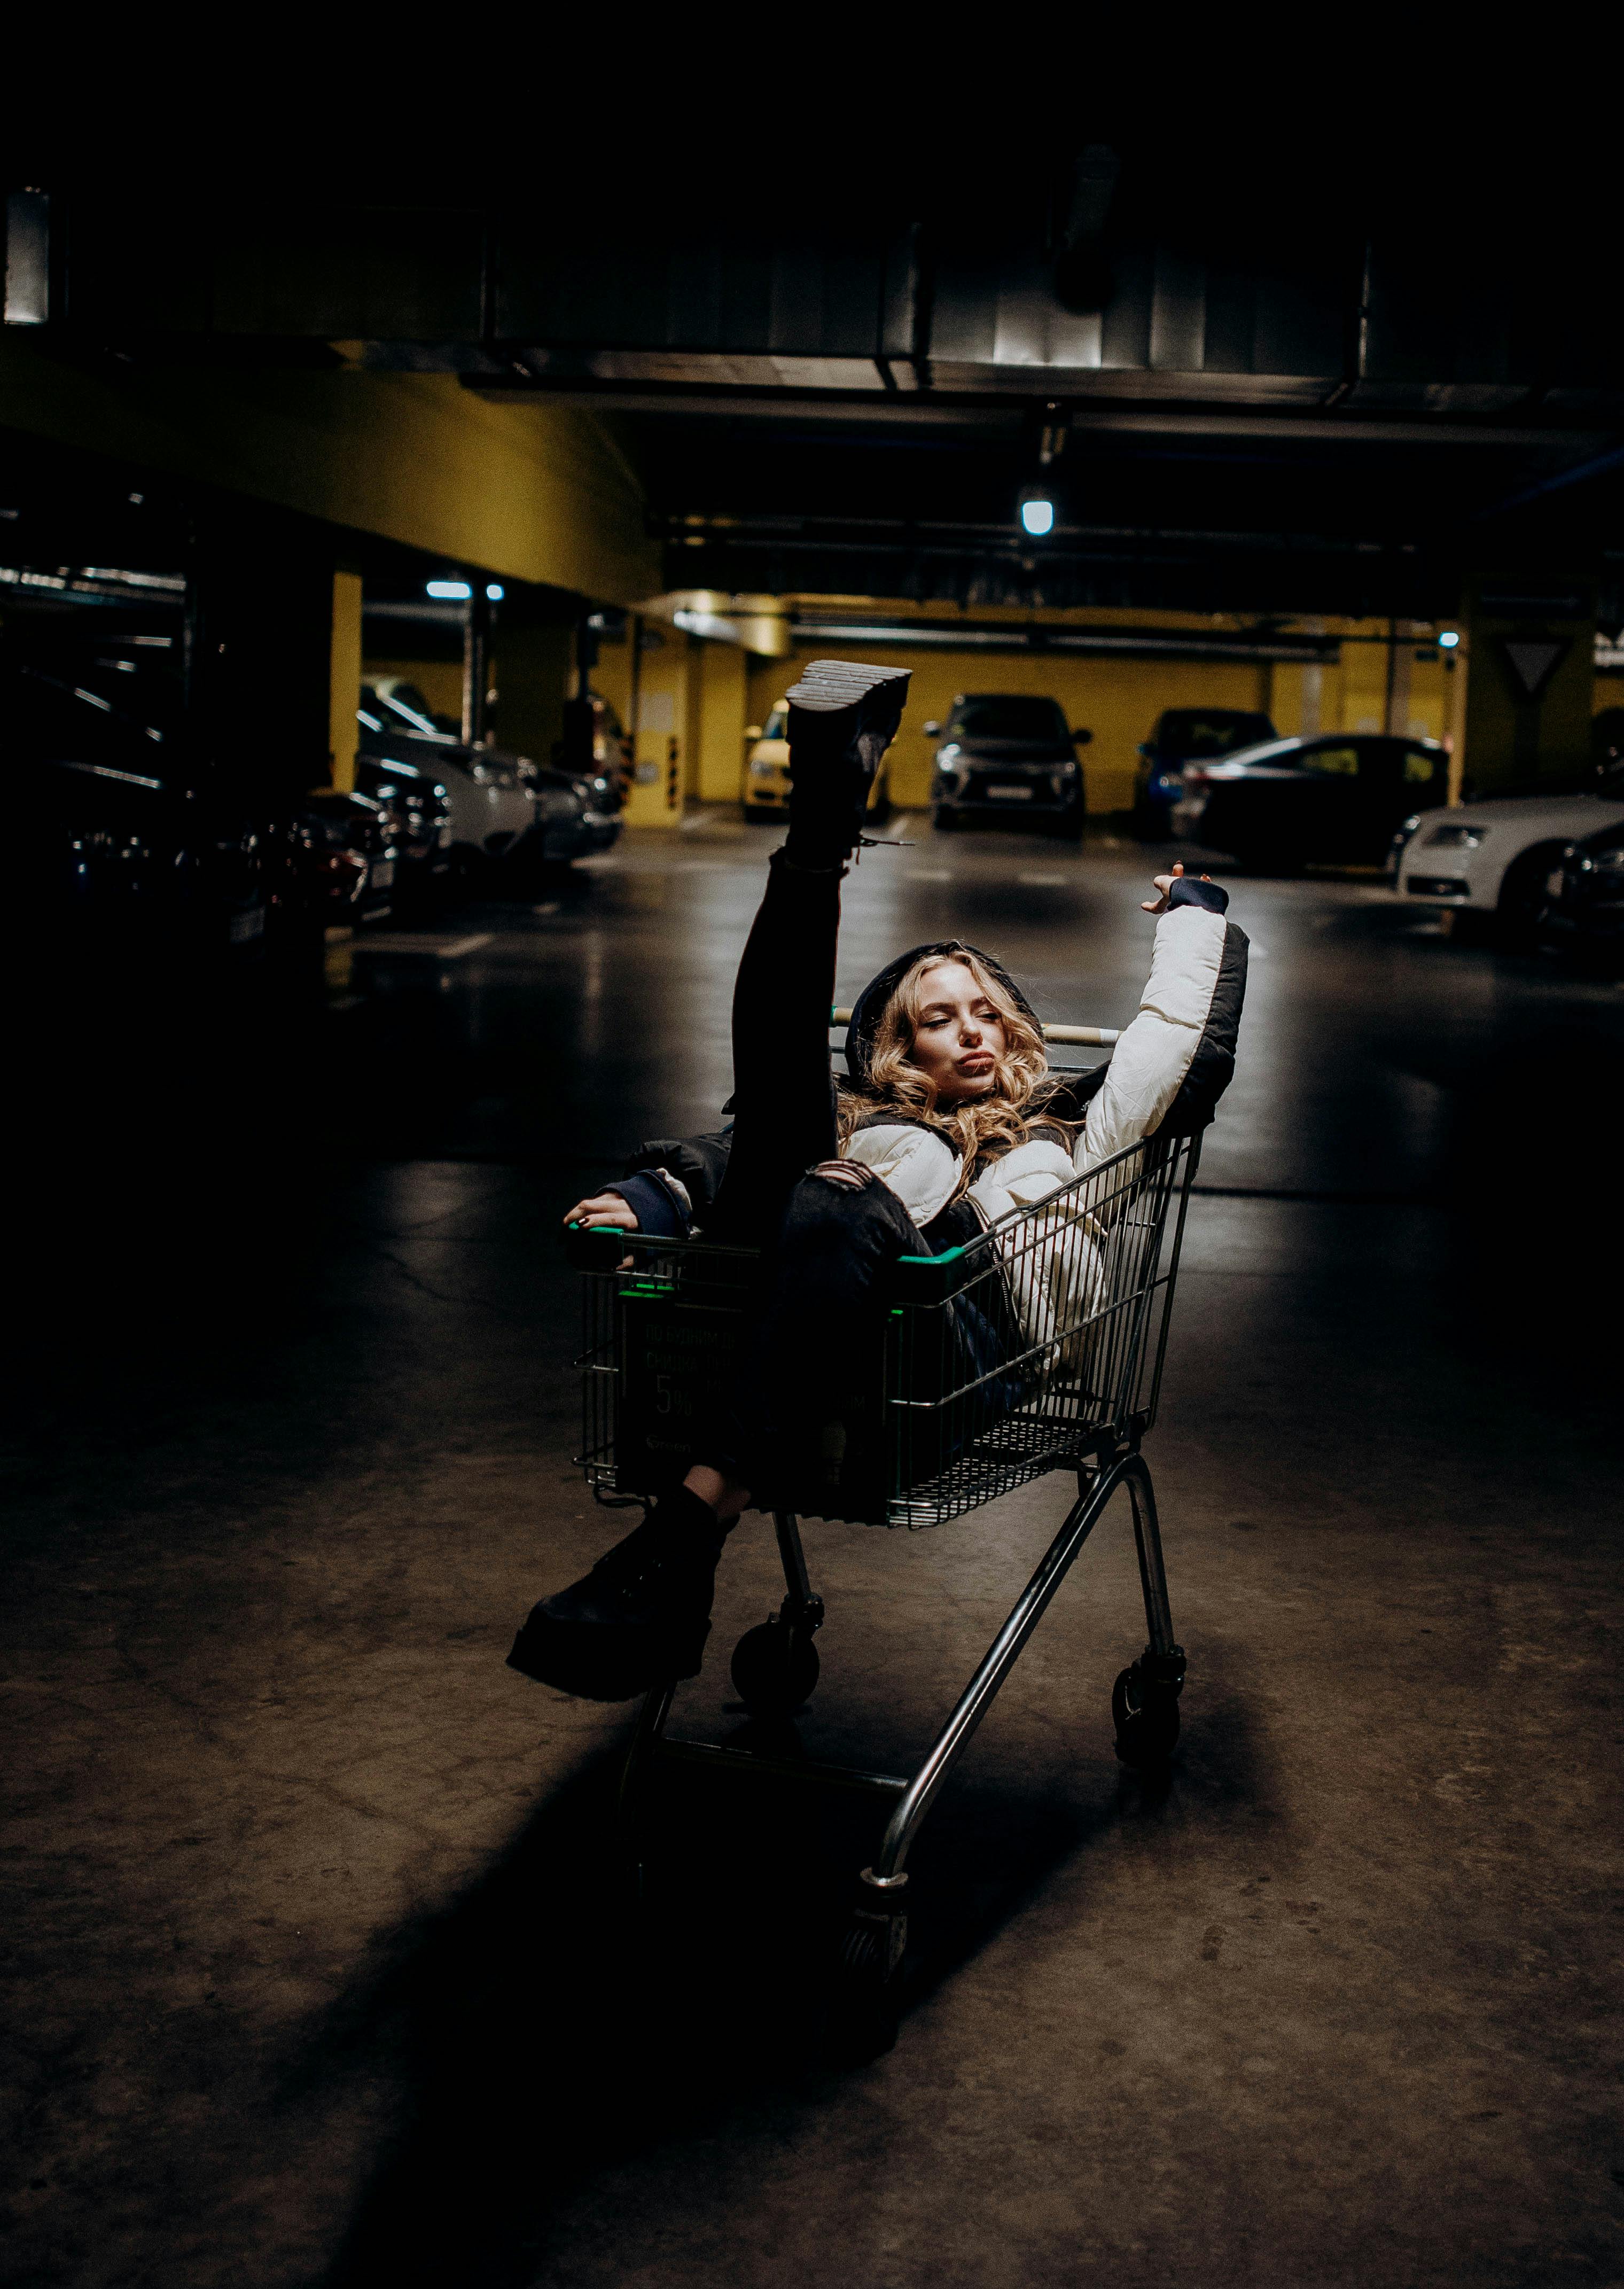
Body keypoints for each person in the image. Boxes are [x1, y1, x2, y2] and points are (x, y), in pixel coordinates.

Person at [508, 659, 1248, 1703]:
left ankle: (682, 1530)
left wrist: (1193, 913)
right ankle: (822, 831)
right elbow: (740, 1160)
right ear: (897, 1048)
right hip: (823, 1331)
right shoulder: (866, 1122)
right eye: (939, 1016)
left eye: (988, 1009)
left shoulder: (1067, 1125)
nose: (973, 1028)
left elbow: (1180, 1049)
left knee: (835, 1190)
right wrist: (658, 1199)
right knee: (791, 1133)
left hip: (958, 1332)